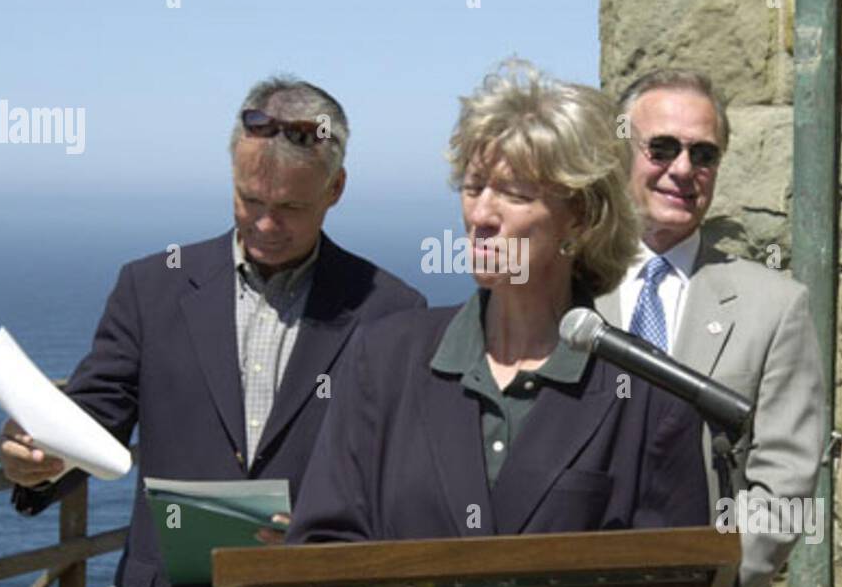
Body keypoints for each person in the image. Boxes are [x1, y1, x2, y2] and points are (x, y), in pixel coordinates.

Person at [0, 76, 424, 587]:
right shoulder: (150, 288)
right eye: (251, 200)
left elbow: (404, 479)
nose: (267, 224)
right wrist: (33, 457)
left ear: (337, 189)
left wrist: (315, 534)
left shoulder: (392, 309)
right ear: (231, 176)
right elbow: (90, 422)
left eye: (291, 208)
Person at [288, 60, 708, 545]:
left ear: (581, 217)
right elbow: (323, 547)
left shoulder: (647, 396)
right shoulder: (384, 361)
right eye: (473, 187)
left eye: (513, 193)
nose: (482, 215)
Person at [595, 69, 824, 587]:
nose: (683, 168)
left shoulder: (773, 306)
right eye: (662, 147)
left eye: (704, 153)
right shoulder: (568, 292)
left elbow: (785, 488)